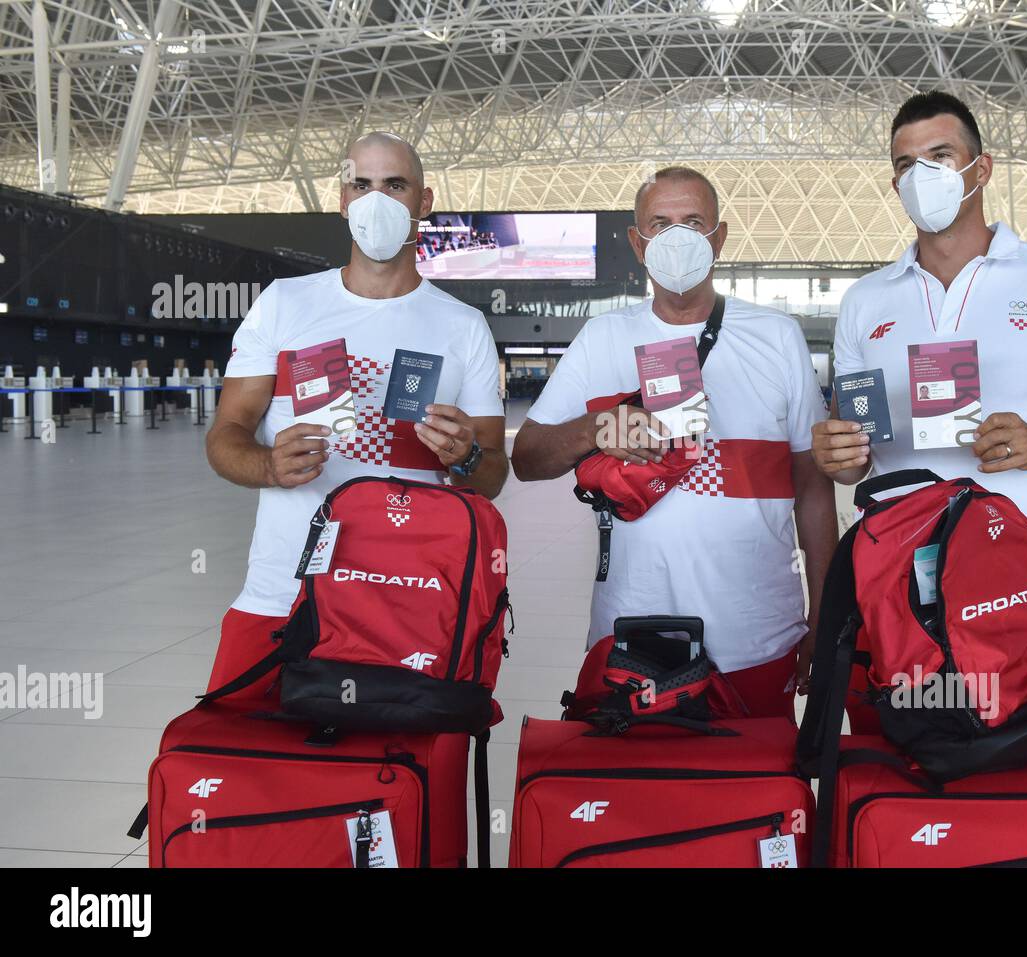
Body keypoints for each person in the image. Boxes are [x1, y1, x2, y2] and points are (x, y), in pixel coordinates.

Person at [510, 167, 838, 720]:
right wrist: (596, 428)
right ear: (638, 244)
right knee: (641, 798)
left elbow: (811, 486)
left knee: (759, 793)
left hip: (759, 631)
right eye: (660, 225)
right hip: (633, 632)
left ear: (720, 238)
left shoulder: (775, 336)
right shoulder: (604, 337)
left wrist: (824, 614)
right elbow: (527, 460)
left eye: (693, 223)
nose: (677, 238)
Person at [204, 131, 508, 694]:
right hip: (283, 588)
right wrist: (270, 466)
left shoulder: (462, 326)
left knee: (387, 768)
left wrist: (465, 457)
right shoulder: (284, 303)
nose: (376, 200)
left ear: (424, 202)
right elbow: (226, 434)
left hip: (406, 592)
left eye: (395, 185)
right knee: (245, 753)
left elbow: (492, 476)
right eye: (361, 185)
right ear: (343, 201)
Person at [813, 92, 1027, 585]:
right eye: (906, 165)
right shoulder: (865, 299)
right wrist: (837, 457)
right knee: (899, 669)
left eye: (941, 157)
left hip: (1021, 562)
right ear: (894, 185)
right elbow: (855, 452)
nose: (921, 176)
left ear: (982, 168)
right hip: (895, 567)